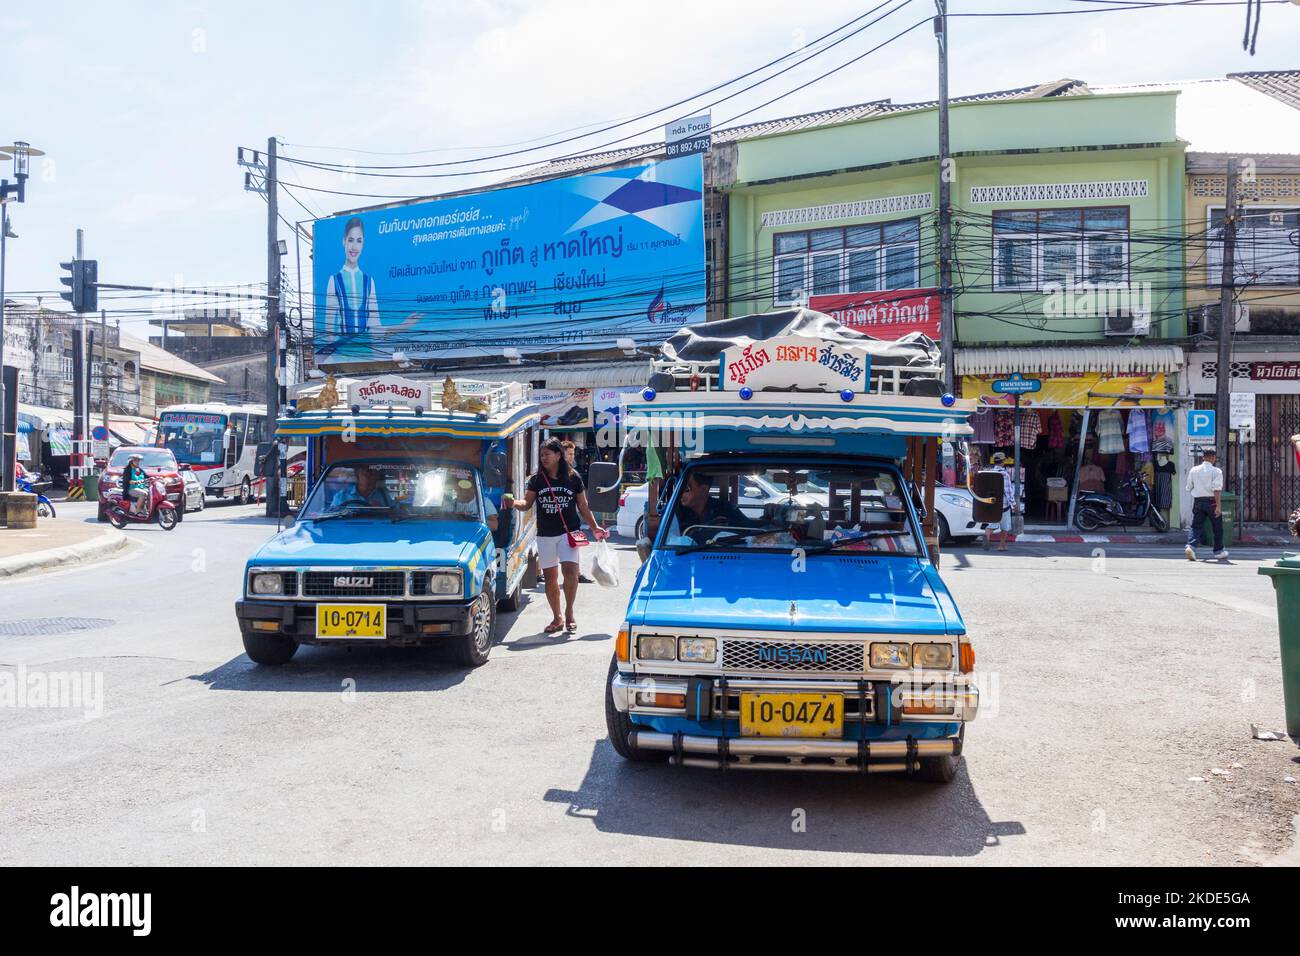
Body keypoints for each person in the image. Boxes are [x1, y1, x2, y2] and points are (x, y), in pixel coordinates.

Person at [504, 438, 606, 635]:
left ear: (558, 455)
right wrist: (513, 503)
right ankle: (557, 617)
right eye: (541, 455)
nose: (543, 458)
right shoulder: (537, 480)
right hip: (546, 534)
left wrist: (595, 527)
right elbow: (526, 503)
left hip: (569, 533)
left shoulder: (573, 477)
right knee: (550, 577)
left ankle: (569, 613)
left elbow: (583, 506)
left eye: (547, 454)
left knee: (570, 572)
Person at [667, 469, 758, 546]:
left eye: (686, 488)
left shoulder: (725, 509)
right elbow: (669, 543)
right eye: (680, 488)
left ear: (704, 489)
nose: (681, 493)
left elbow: (751, 531)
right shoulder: (675, 513)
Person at [325, 216, 381, 335]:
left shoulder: (369, 281)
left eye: (359, 241)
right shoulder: (334, 280)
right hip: (342, 351)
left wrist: (403, 326)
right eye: (350, 240)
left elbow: (376, 326)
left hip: (367, 351)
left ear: (363, 243)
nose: (354, 247)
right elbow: (329, 328)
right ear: (344, 241)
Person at [1185, 448, 1227, 561]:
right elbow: (1216, 489)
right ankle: (1218, 551)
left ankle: (1191, 546)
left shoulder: (1194, 470)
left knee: (1196, 526)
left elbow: (1189, 487)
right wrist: (1218, 506)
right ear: (1213, 458)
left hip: (1198, 501)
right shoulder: (1216, 471)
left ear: (1203, 457)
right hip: (1212, 501)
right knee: (1217, 527)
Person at [983, 452, 1017, 551]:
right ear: (1003, 462)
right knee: (1005, 527)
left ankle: (987, 534)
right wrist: (1013, 504)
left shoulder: (990, 473)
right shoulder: (1004, 474)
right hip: (1004, 505)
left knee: (992, 525)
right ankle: (1001, 545)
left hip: (992, 504)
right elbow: (1008, 491)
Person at [328, 465, 396, 511]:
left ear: (377, 477)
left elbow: (398, 513)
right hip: (349, 529)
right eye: (366, 474)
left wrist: (382, 509)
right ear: (357, 476)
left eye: (373, 474)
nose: (370, 478)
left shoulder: (386, 495)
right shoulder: (341, 496)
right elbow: (332, 515)